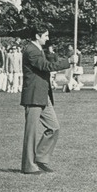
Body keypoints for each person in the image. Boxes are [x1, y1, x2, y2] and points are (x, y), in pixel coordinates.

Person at [20, 25, 70, 175]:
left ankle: (40, 158)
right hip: (34, 96)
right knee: (31, 133)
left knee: (54, 127)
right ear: (37, 36)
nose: (48, 38)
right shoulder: (31, 50)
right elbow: (45, 66)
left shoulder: (37, 49)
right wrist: (68, 61)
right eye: (46, 36)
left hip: (43, 95)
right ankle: (28, 166)